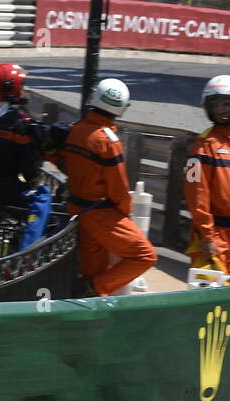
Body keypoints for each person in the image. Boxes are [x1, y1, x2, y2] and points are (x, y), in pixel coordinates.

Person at [53, 79, 157, 297]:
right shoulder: (108, 141)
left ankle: (87, 299)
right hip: (101, 214)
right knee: (145, 255)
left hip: (77, 209)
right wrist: (125, 212)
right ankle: (96, 288)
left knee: (92, 270)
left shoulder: (75, 130)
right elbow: (118, 187)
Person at [185, 75, 230, 274]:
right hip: (211, 234)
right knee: (207, 296)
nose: (220, 110)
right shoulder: (201, 149)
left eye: (226, 104)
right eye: (215, 105)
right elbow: (196, 197)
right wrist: (207, 237)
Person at [0, 63, 51, 250]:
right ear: (10, 89)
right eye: (21, 86)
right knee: (42, 197)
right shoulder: (19, 123)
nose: (25, 90)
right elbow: (30, 169)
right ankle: (25, 256)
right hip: (5, 191)